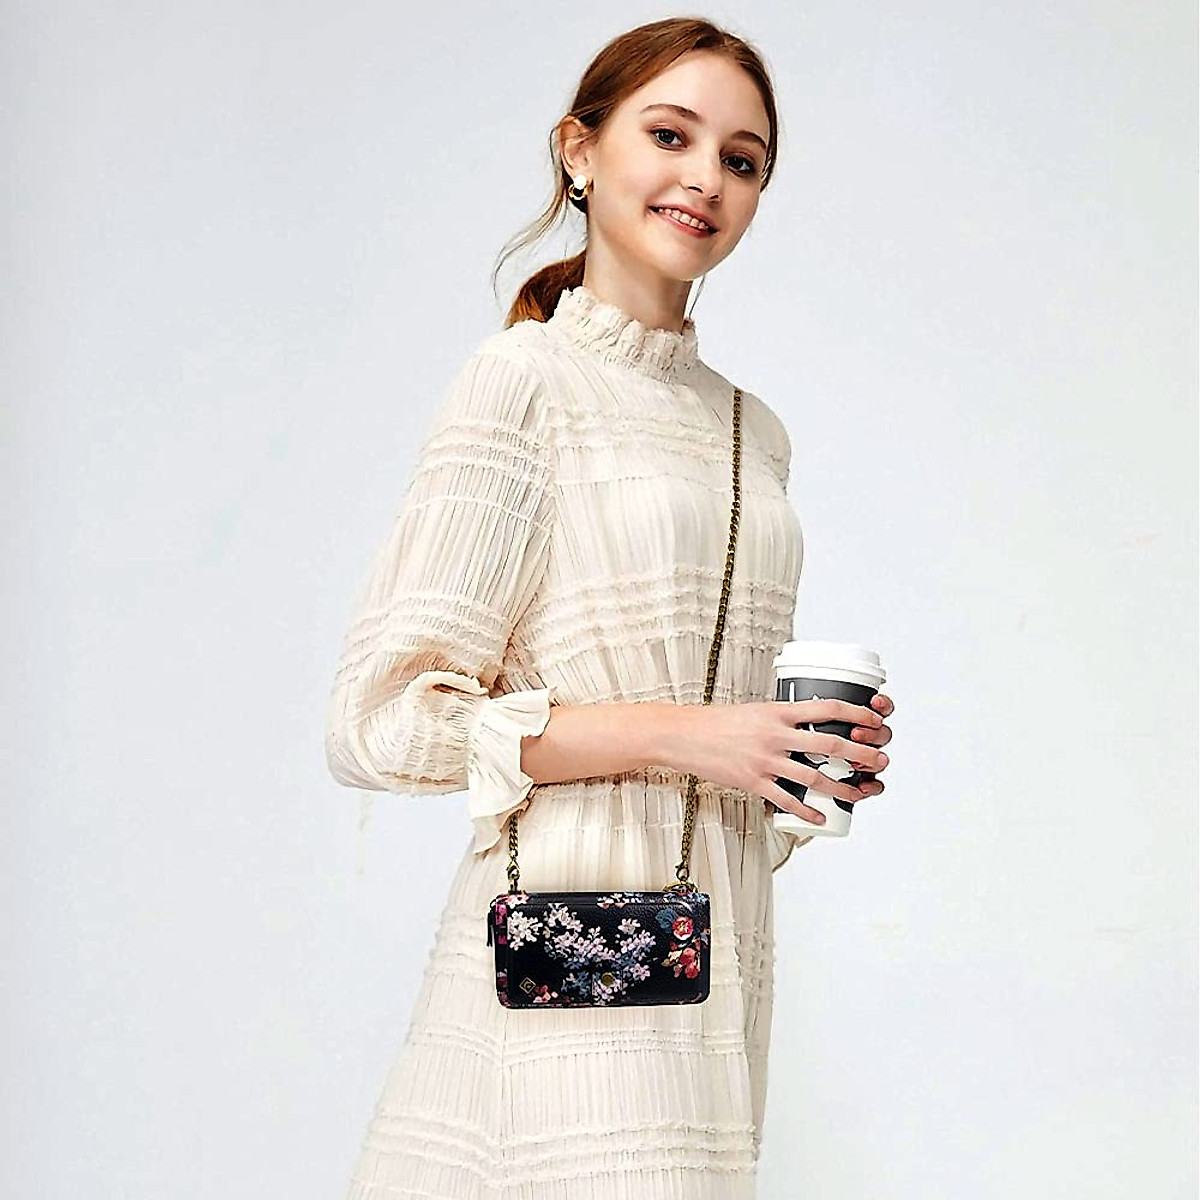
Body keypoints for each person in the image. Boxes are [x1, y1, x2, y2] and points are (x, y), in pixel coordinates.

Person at [324, 16, 894, 1199]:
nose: (706, 178)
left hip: (714, 953)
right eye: (670, 135)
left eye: (742, 159)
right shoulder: (518, 382)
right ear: (579, 151)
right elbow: (380, 723)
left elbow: (717, 732)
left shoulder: (753, 431)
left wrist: (794, 762)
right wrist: (695, 736)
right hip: (567, 937)